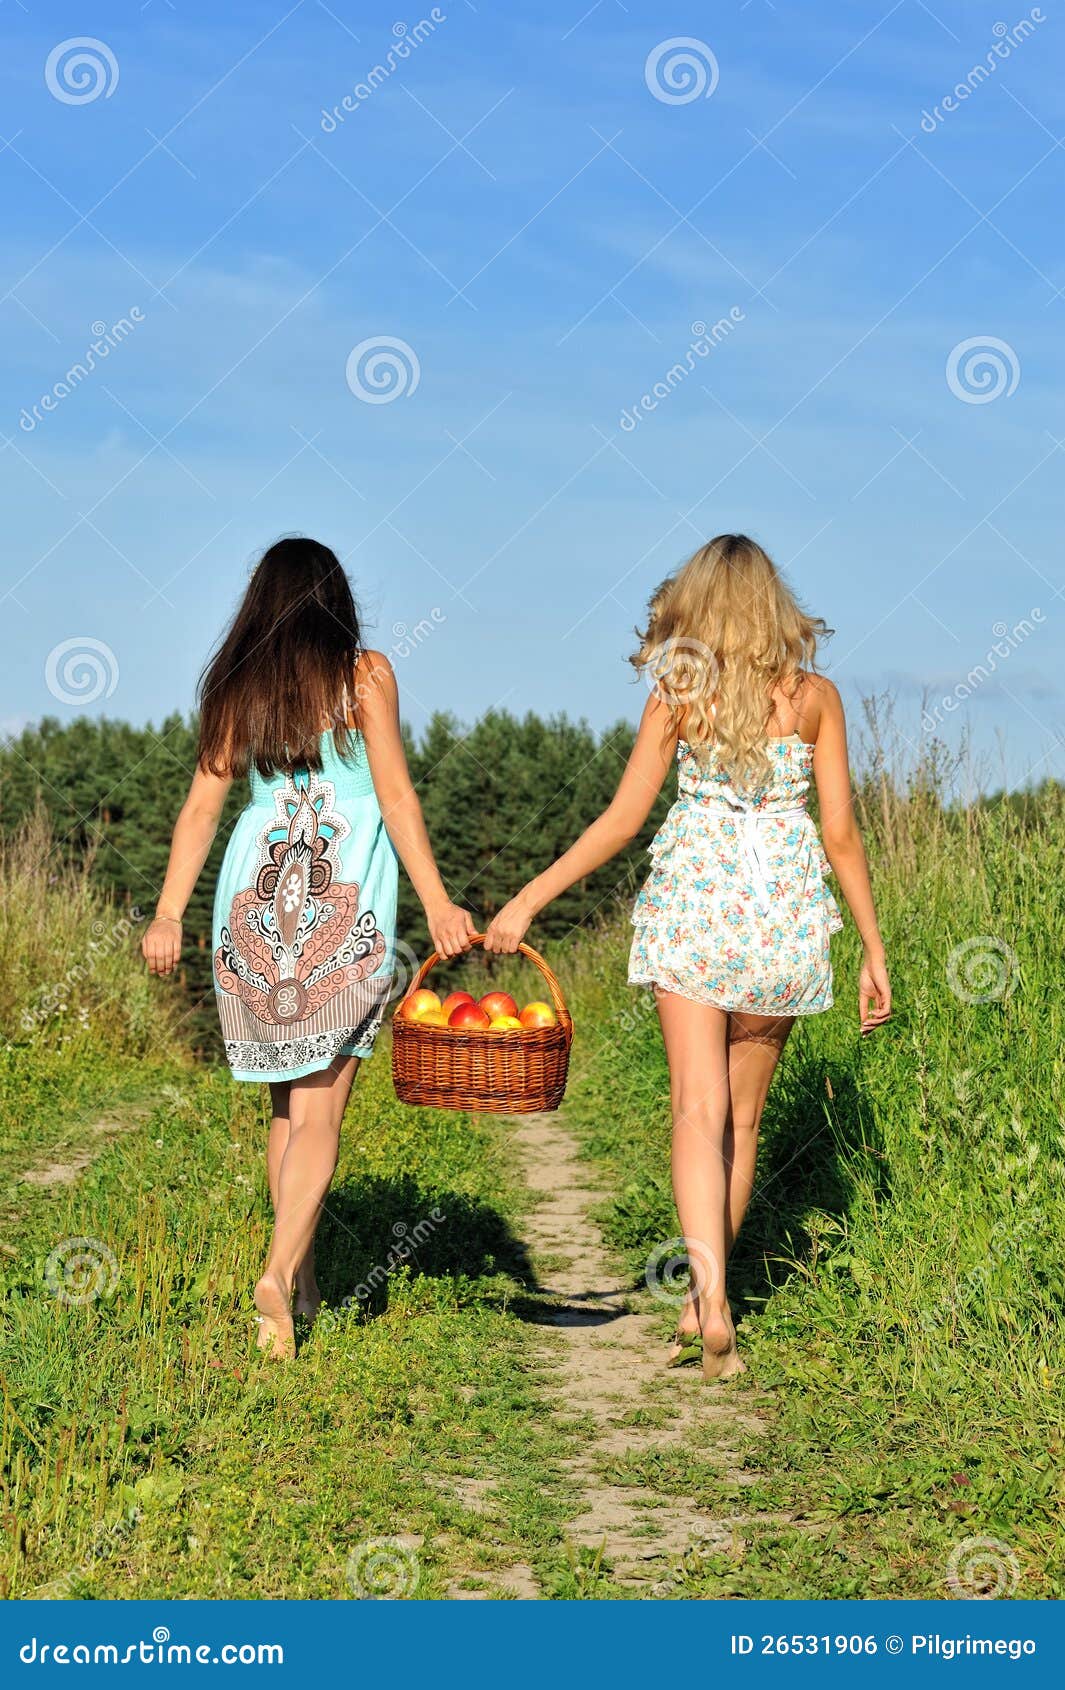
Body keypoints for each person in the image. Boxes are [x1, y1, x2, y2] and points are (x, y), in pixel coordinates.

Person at [484, 534, 891, 1381]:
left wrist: (527, 899)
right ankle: (707, 1299)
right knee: (741, 1124)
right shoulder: (814, 698)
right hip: (782, 915)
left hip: (697, 911)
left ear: (696, 609)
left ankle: (710, 1305)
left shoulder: (678, 694)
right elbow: (842, 834)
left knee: (693, 1116)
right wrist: (871, 950)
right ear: (775, 607)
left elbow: (621, 821)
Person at [142, 536, 474, 1359]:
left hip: (251, 916)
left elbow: (198, 815)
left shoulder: (235, 685)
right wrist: (437, 900)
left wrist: (165, 915)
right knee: (322, 1107)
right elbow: (393, 794)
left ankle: (301, 1282)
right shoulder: (365, 676)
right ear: (335, 600)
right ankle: (278, 1269)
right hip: (342, 911)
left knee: (286, 1106)